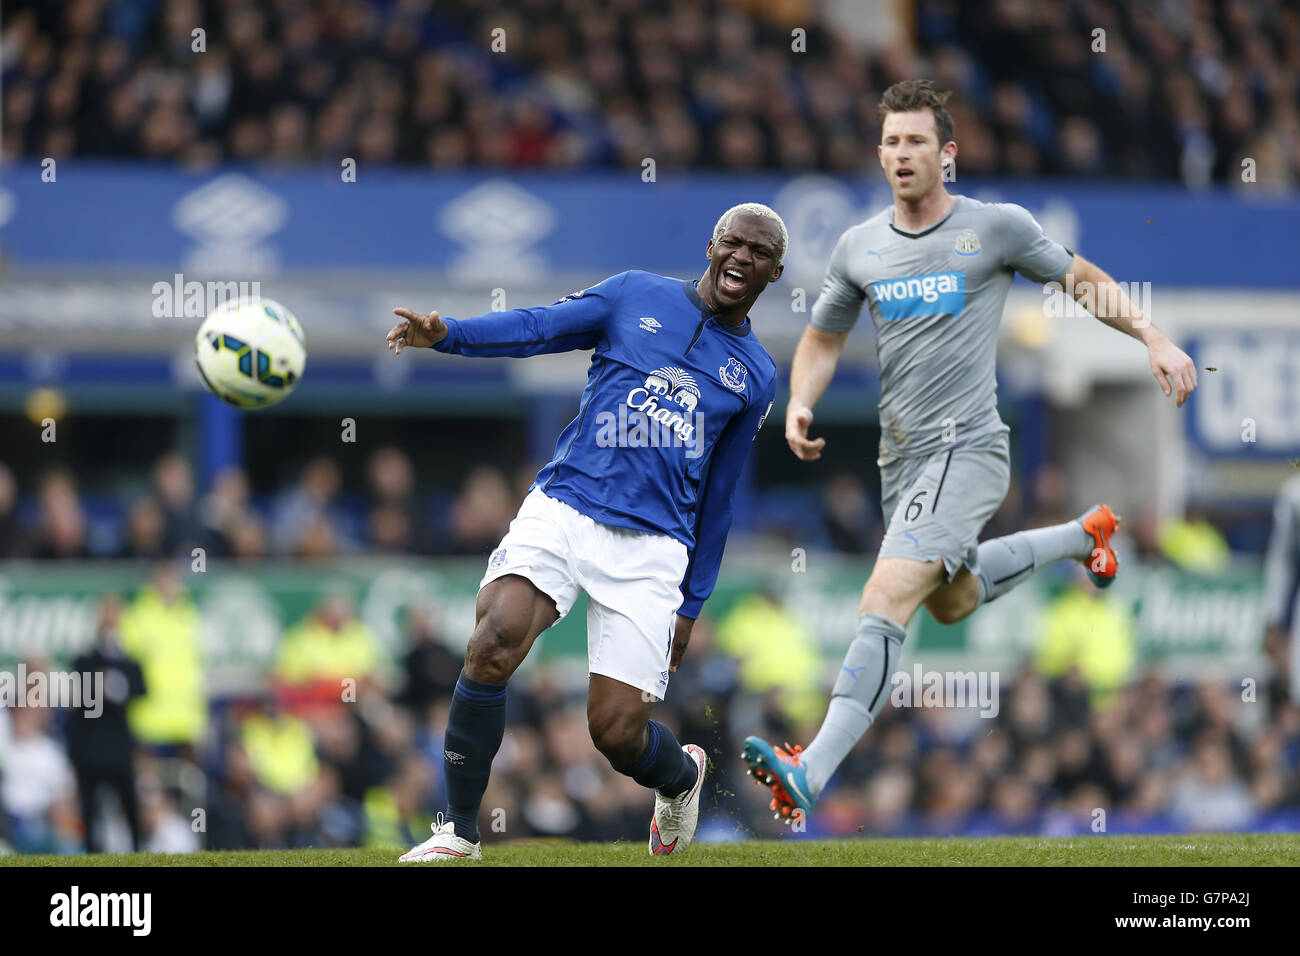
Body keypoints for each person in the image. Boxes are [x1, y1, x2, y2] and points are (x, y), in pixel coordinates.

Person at [742, 80, 1198, 823]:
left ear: (947, 153)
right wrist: (799, 399)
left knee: (885, 597)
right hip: (903, 461)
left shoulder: (996, 228)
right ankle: (1082, 537)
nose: (901, 154)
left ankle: (811, 768)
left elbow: (1080, 280)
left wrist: (1151, 336)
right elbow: (823, 339)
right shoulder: (859, 248)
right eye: (890, 142)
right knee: (949, 604)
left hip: (969, 449)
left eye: (916, 141)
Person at [385, 203, 784, 860]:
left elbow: (719, 497)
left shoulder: (757, 376)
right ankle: (457, 833)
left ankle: (681, 779)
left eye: (759, 252)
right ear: (712, 245)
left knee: (617, 733)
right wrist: (450, 333)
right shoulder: (636, 294)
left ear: (775, 270)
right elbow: (540, 326)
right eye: (733, 243)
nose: (742, 257)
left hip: (654, 549)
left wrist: (693, 603)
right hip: (566, 507)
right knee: (492, 640)